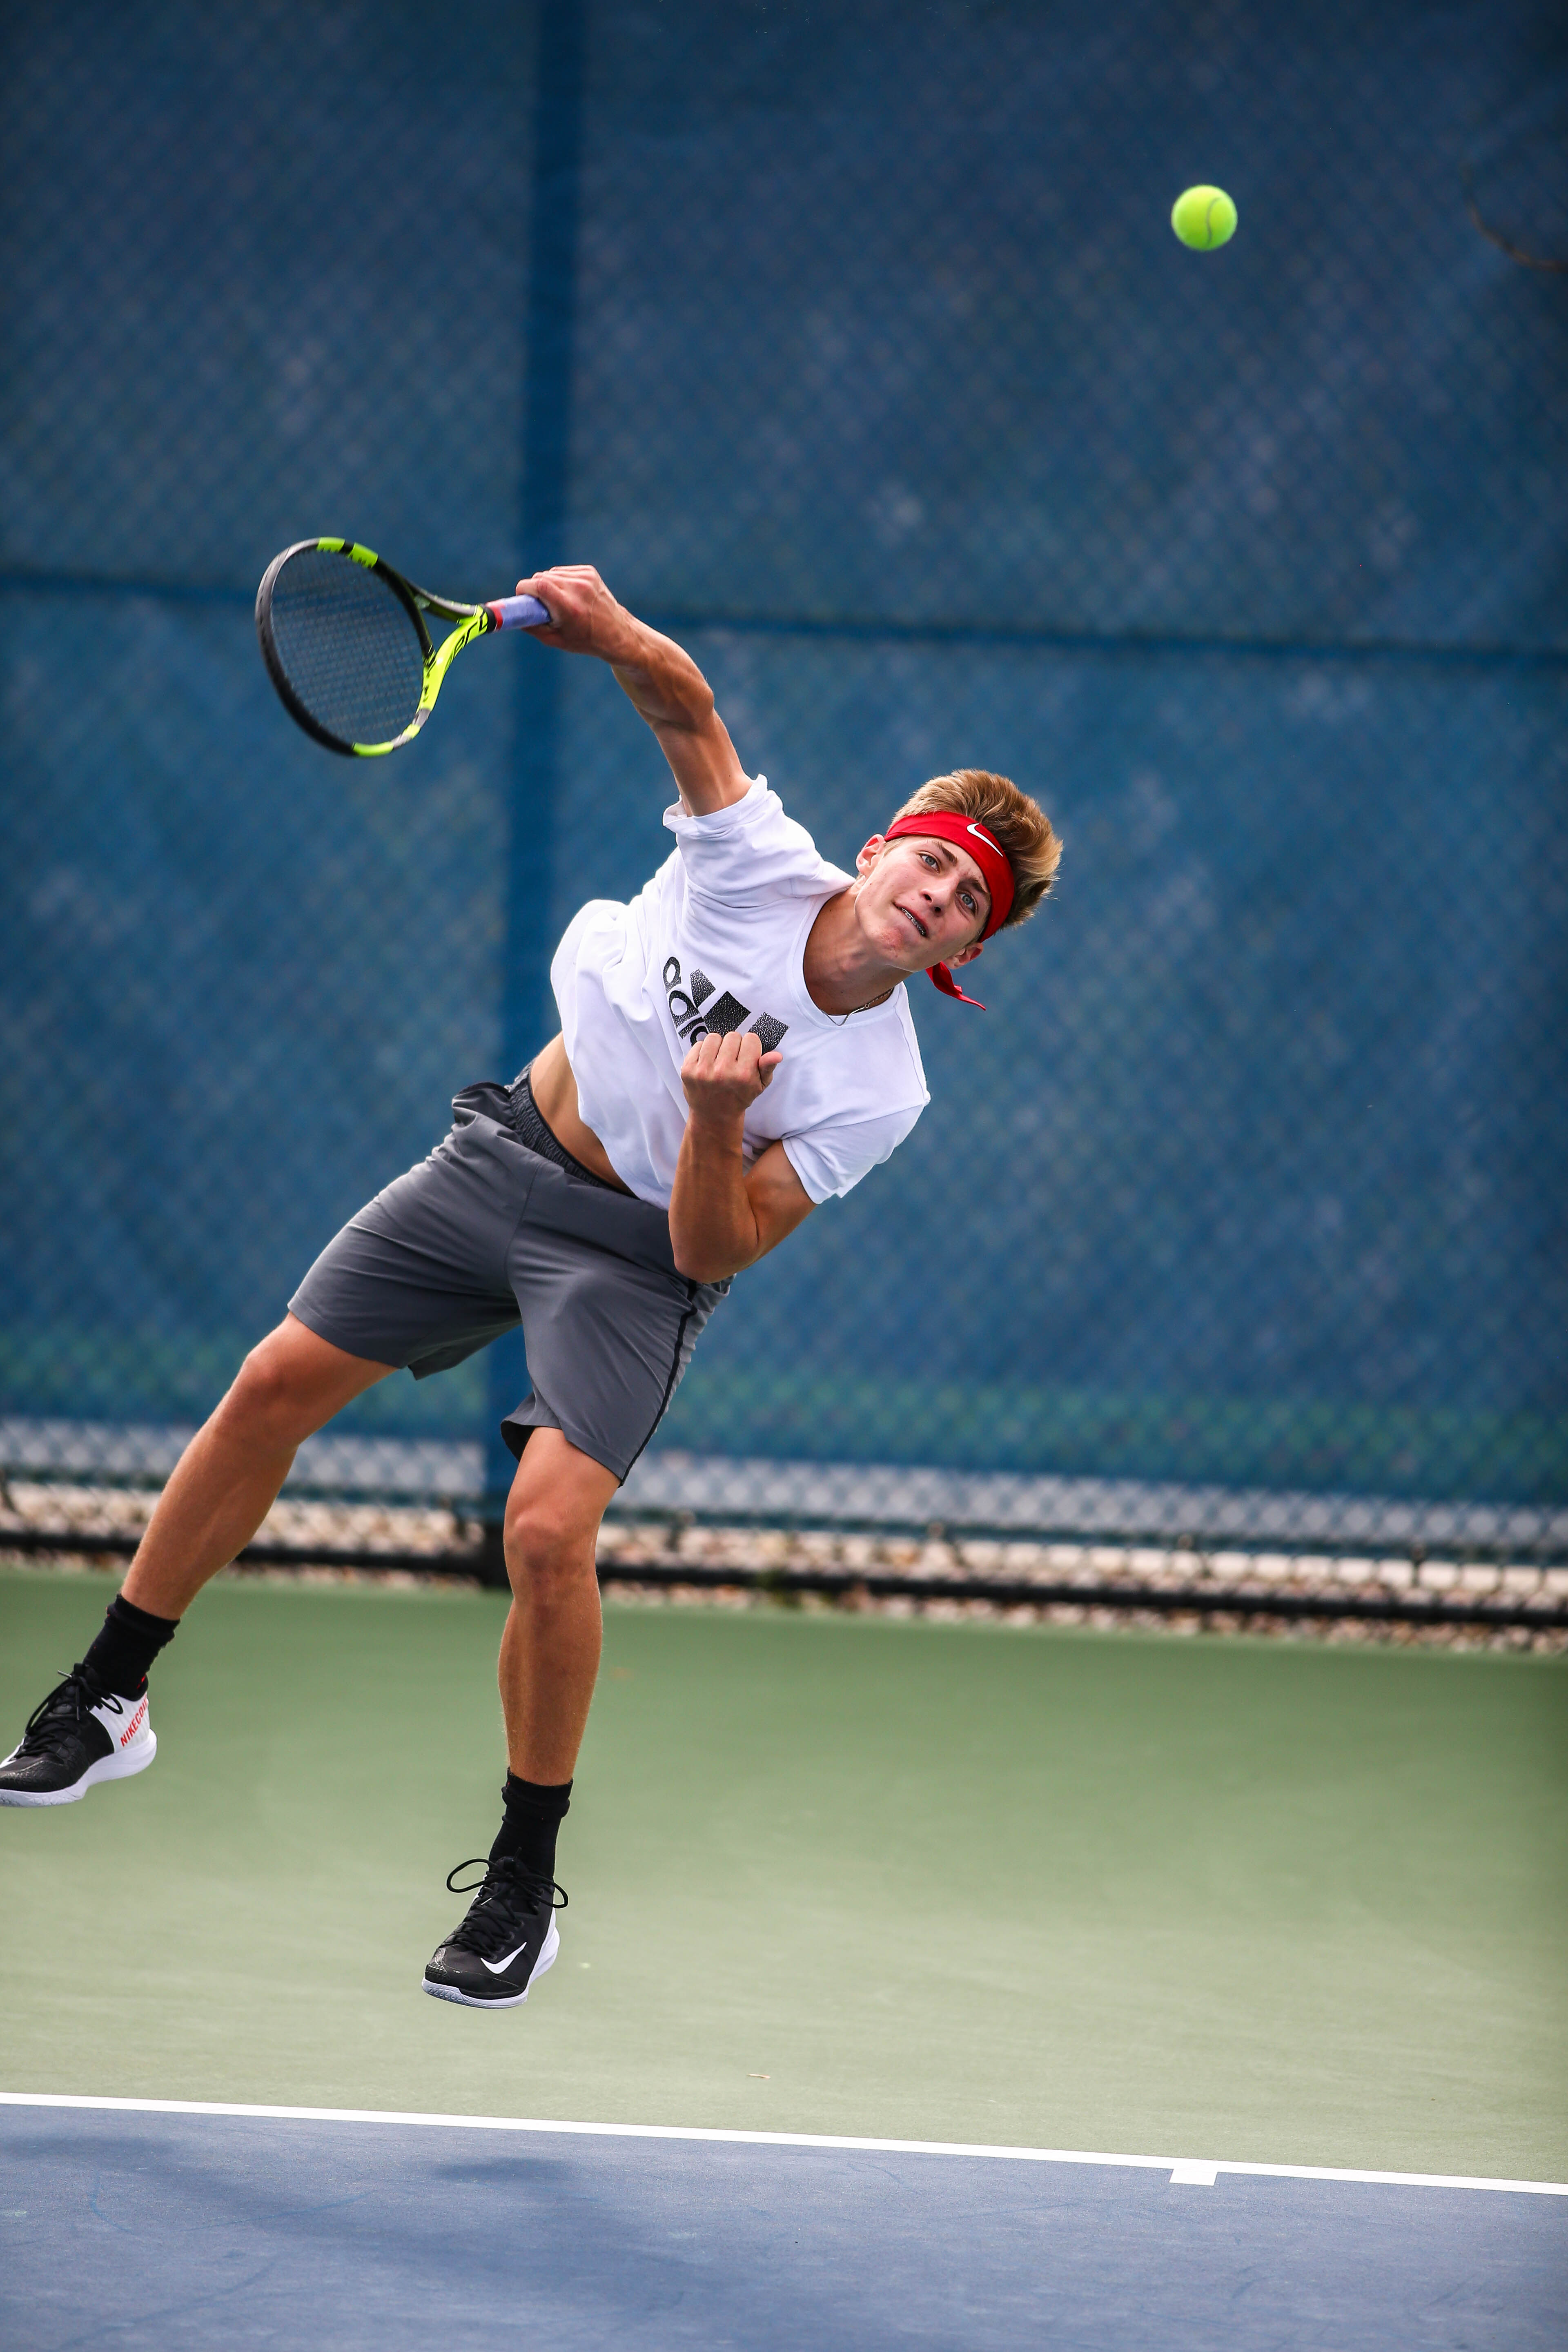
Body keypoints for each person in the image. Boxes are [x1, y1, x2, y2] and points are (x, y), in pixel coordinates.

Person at [0, 568, 1061, 2008]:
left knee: (548, 1533)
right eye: (930, 863)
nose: (934, 896)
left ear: (967, 952)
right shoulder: (759, 858)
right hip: (502, 1156)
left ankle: (519, 1880)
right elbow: (684, 705)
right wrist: (612, 628)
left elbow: (710, 1252)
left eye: (966, 902)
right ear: (880, 851)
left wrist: (705, 1121)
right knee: (270, 1388)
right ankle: (109, 1696)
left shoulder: (879, 1090)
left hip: (631, 1256)